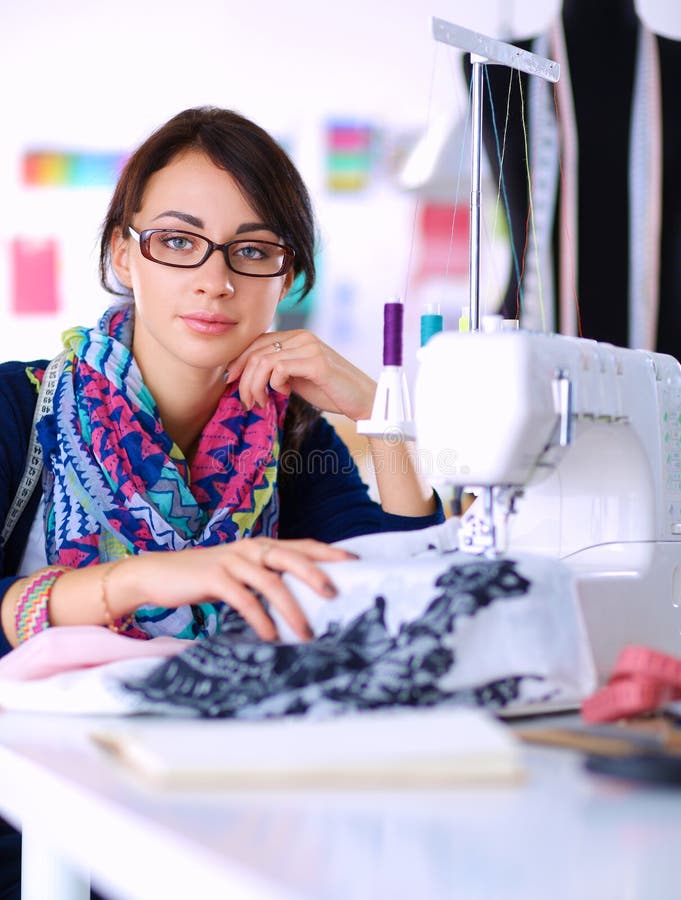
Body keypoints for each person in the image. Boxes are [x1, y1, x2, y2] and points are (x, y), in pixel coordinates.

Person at [0, 105, 442, 895]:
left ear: (286, 276)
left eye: (253, 250)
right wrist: (141, 581)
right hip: (27, 833)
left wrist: (379, 414)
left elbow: (402, 590)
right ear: (122, 256)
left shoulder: (293, 442)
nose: (216, 278)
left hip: (225, 822)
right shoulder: (15, 408)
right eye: (177, 241)